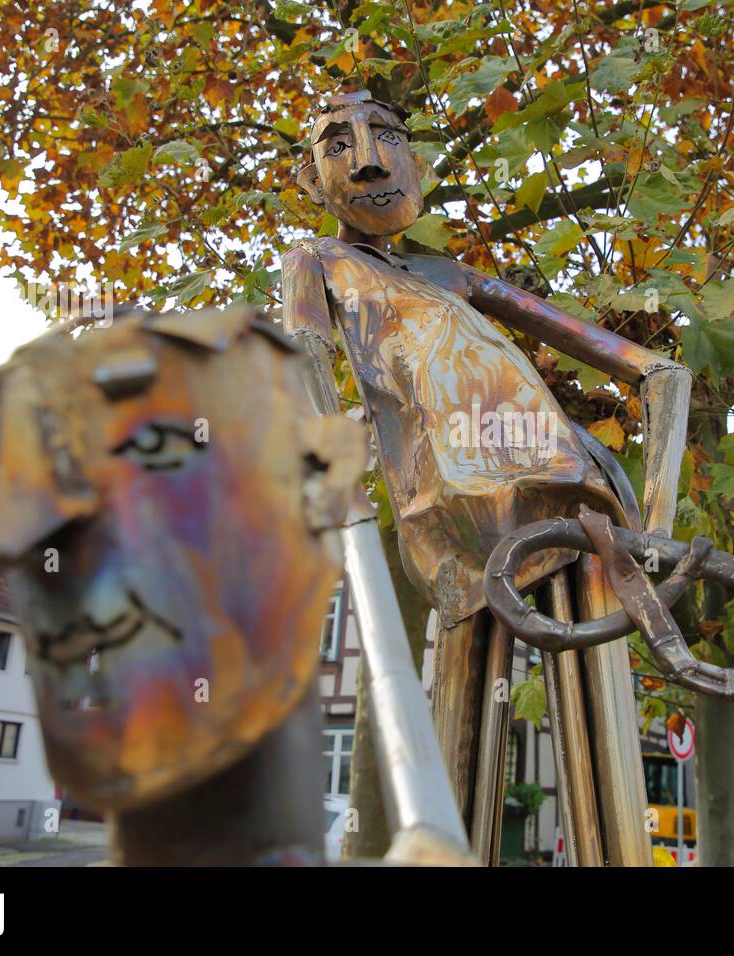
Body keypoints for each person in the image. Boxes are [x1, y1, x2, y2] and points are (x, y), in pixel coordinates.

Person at [281, 90, 692, 866]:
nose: (369, 161)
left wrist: (659, 525)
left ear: (417, 162)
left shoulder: (455, 275)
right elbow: (304, 352)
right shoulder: (316, 261)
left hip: (581, 502)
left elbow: (661, 371)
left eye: (387, 137)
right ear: (310, 180)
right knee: (461, 749)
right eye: (337, 145)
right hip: (456, 526)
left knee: (606, 767)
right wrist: (339, 487)